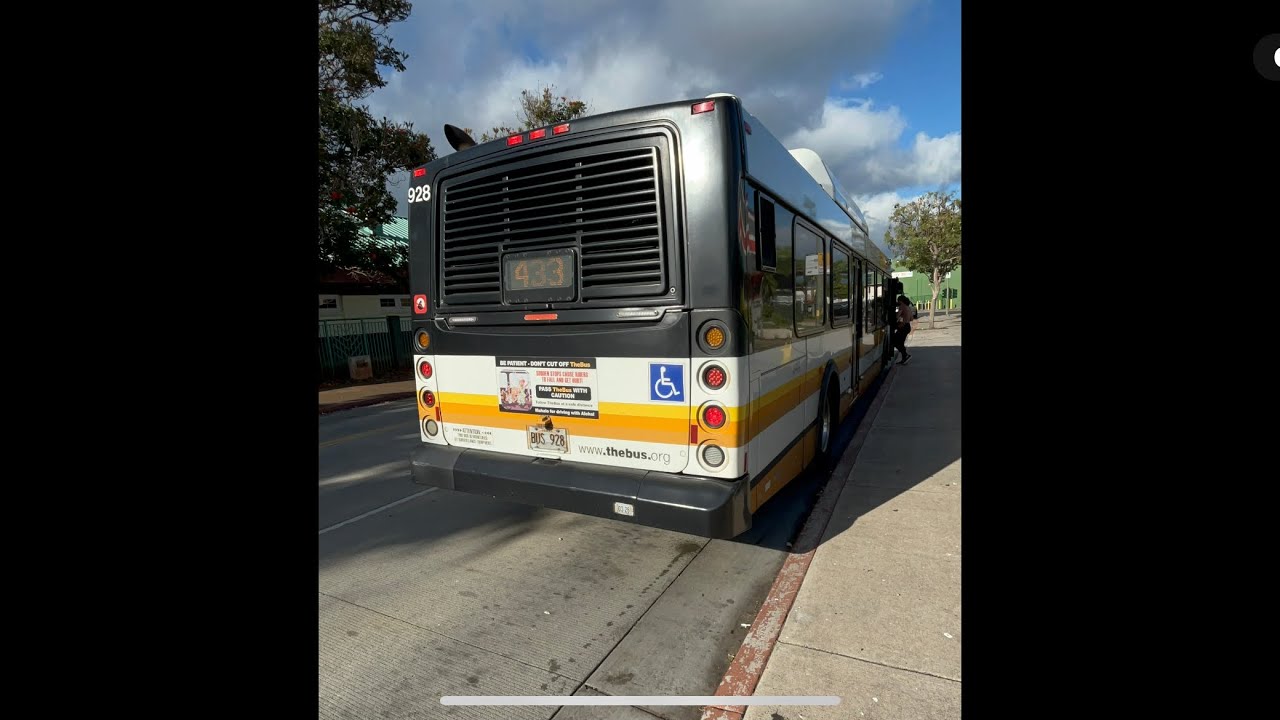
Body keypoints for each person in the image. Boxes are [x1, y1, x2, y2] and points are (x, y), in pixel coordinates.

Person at [892, 295, 913, 364]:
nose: (897, 302)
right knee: (900, 343)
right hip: (908, 326)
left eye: (898, 300)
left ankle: (906, 355)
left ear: (901, 301)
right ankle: (904, 358)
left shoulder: (902, 307)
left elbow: (896, 316)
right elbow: (911, 319)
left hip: (903, 327)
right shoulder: (908, 307)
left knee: (894, 341)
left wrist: (899, 317)